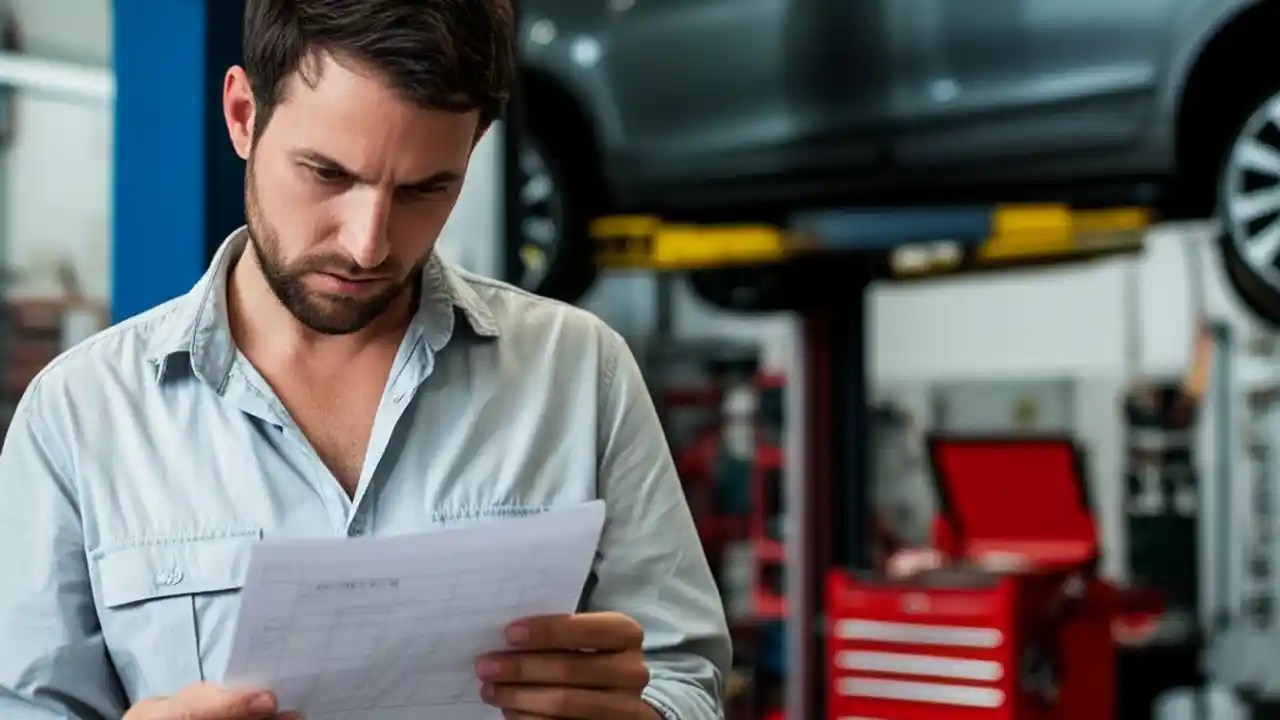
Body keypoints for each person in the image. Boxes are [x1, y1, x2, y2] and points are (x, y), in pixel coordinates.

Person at [0, 1, 731, 718]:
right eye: (328, 174)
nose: (368, 244)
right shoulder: (79, 417)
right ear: (244, 115)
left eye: (424, 189)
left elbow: (685, 679)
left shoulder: (581, 375)